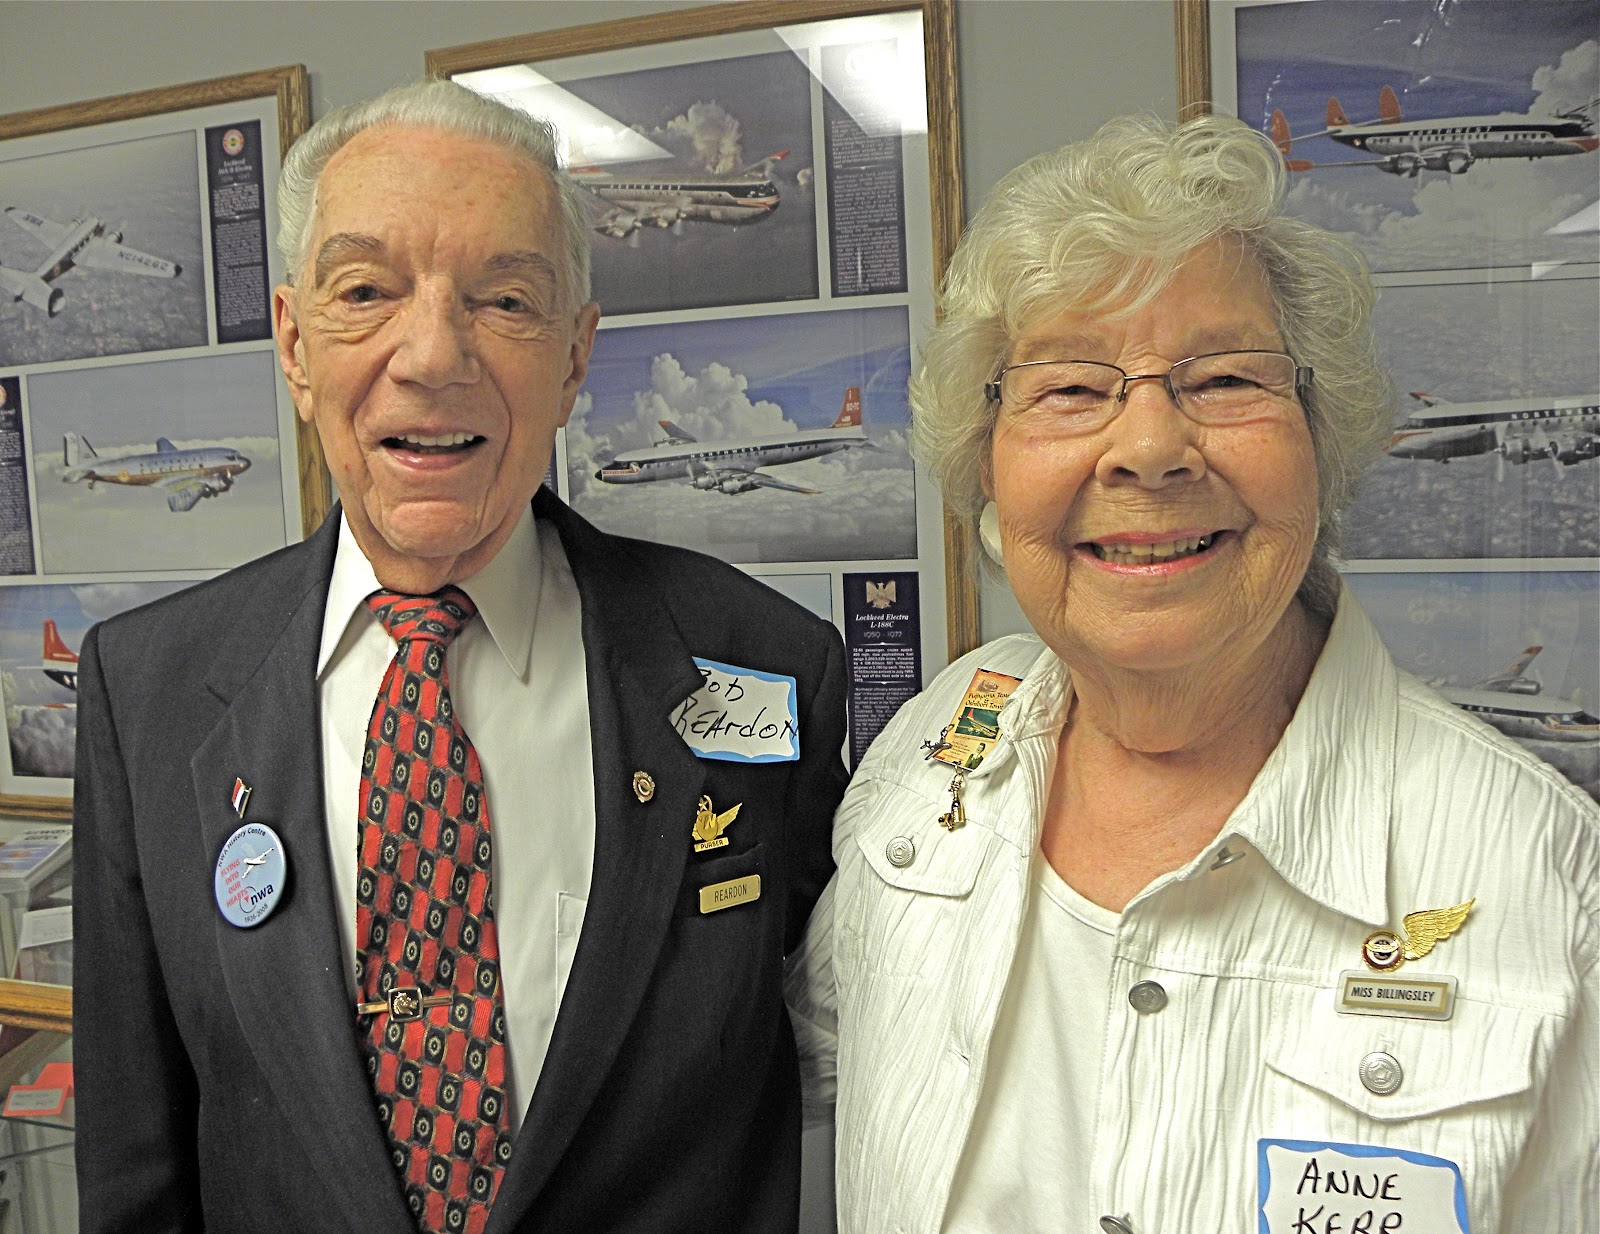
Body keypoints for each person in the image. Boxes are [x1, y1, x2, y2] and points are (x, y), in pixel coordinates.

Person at [787, 114, 1598, 1232]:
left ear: (1321, 437)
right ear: (986, 466)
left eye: (1222, 379)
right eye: (1070, 390)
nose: (1150, 446)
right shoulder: (932, 757)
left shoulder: (1555, 883)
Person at [73, 80, 847, 1234]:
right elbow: (137, 1162)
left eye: (505, 299)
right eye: (366, 290)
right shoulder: (149, 691)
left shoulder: (763, 665)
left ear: (576, 357)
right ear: (293, 342)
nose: (432, 353)